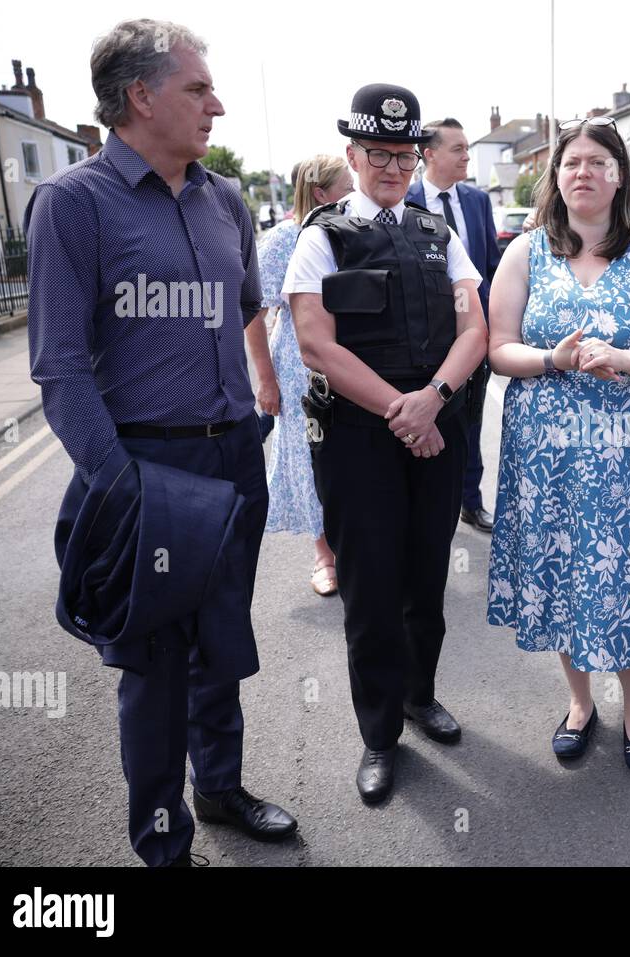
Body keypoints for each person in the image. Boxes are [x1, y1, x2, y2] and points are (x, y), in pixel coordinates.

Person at [26, 19, 297, 866]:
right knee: (155, 670)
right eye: (197, 89)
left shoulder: (223, 201)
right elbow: (61, 369)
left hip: (232, 460)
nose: (215, 105)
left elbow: (248, 303)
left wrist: (263, 398)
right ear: (140, 96)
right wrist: (123, 486)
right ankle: (162, 841)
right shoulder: (73, 204)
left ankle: (218, 788)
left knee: (221, 640)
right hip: (147, 471)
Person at [284, 85, 486, 804]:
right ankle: (379, 734)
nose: (393, 166)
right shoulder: (323, 235)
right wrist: (403, 410)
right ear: (353, 154)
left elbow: (476, 329)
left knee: (425, 580)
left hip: (434, 426)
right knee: (370, 590)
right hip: (358, 438)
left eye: (404, 154)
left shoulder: (440, 235)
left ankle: (418, 695)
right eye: (379, 153)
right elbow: (315, 343)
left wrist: (432, 400)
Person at [487, 116, 630, 774]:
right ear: (555, 176)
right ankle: (580, 703)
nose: (584, 172)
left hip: (629, 455)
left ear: (619, 175)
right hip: (548, 453)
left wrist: (623, 356)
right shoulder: (525, 251)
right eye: (572, 162)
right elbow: (498, 349)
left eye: (599, 162)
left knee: (627, 577)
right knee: (565, 575)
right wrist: (554, 357)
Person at [245, 154, 353, 596]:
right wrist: (266, 380)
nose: (354, 191)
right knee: (311, 460)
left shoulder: (354, 234)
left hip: (352, 361)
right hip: (298, 369)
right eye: (347, 185)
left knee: (352, 457)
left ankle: (356, 548)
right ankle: (324, 556)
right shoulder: (283, 240)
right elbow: (254, 313)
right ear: (323, 193)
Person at [407, 118, 503, 533]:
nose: (467, 156)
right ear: (429, 153)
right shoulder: (404, 199)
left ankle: (470, 501)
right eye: (459, 149)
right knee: (422, 418)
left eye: (467, 149)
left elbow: (492, 266)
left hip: (473, 334)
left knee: (471, 422)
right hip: (422, 338)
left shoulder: (478, 201)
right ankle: (422, 512)